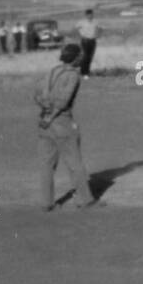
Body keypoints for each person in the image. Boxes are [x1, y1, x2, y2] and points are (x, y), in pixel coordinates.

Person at [35, 43, 103, 211]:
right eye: (80, 56)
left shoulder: (52, 71)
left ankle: (46, 203)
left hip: (44, 123)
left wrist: (45, 111)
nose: (82, 58)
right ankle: (85, 200)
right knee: (75, 163)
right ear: (75, 58)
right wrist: (51, 115)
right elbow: (63, 101)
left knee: (46, 165)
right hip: (61, 122)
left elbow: (36, 94)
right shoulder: (73, 75)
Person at [77, 9, 99, 77]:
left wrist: (97, 35)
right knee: (85, 56)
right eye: (89, 15)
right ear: (86, 15)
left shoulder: (95, 22)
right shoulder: (82, 22)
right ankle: (83, 72)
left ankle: (87, 72)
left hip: (92, 41)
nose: (90, 16)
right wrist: (81, 34)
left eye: (91, 14)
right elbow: (76, 28)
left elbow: (100, 29)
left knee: (90, 57)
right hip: (85, 41)